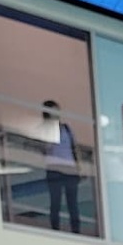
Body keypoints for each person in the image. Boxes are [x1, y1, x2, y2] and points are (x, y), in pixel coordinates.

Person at [41, 100, 83, 234]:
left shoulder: (66, 128)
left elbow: (75, 147)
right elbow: (46, 148)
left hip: (69, 168)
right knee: (55, 202)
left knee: (73, 203)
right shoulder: (45, 129)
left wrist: (79, 166)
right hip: (55, 169)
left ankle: (76, 229)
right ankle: (55, 229)